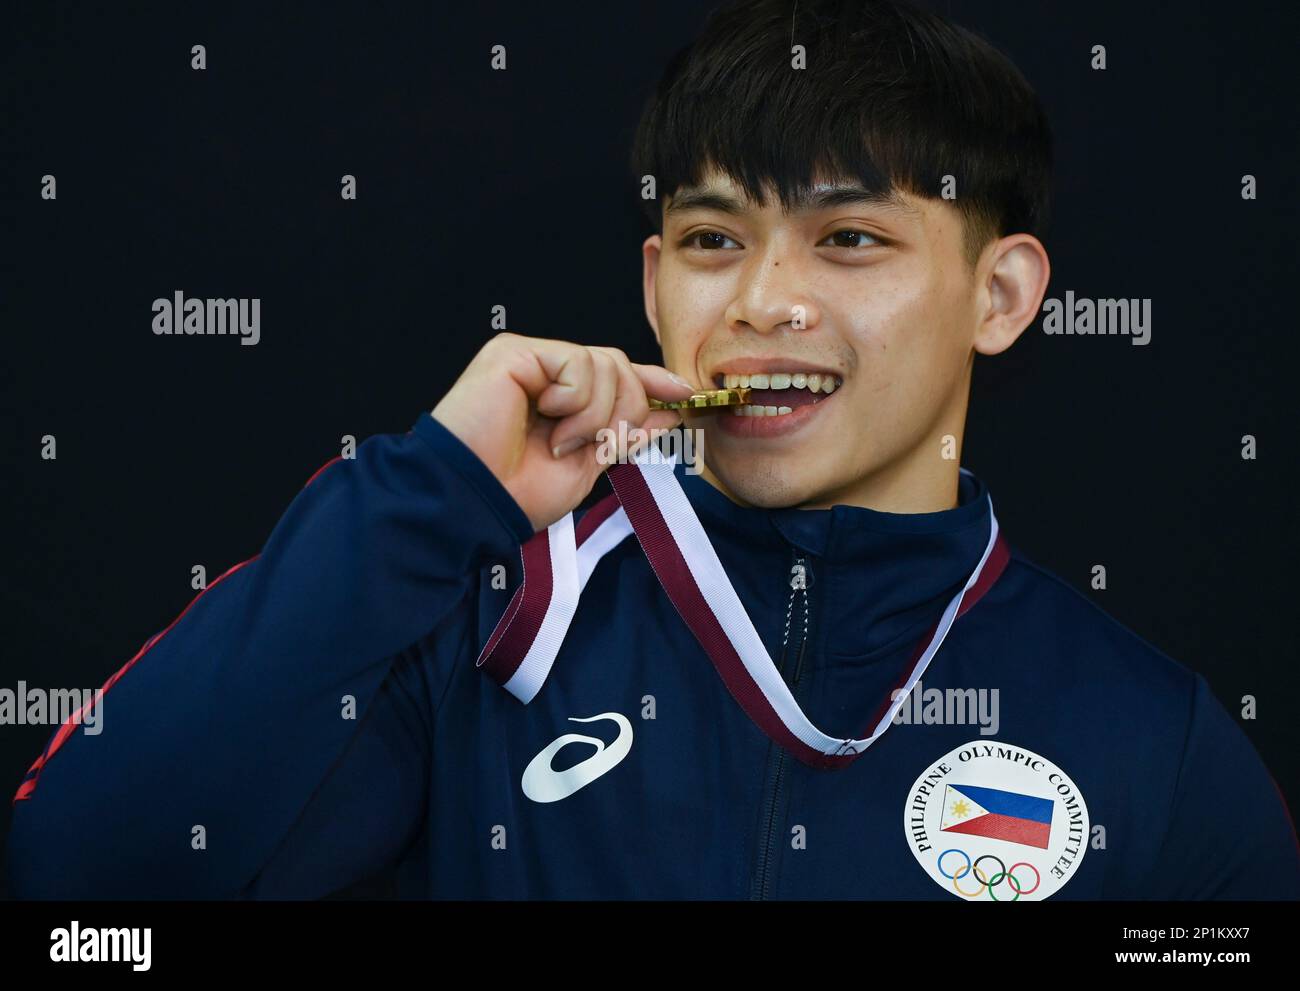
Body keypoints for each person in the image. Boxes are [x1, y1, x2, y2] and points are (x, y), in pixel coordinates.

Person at [8, 0, 1298, 900]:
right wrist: (426, 498)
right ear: (652, 282)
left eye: (849, 240)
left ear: (1002, 295)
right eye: (713, 239)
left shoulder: (1157, 748)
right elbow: (75, 891)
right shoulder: (495, 623)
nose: (760, 302)